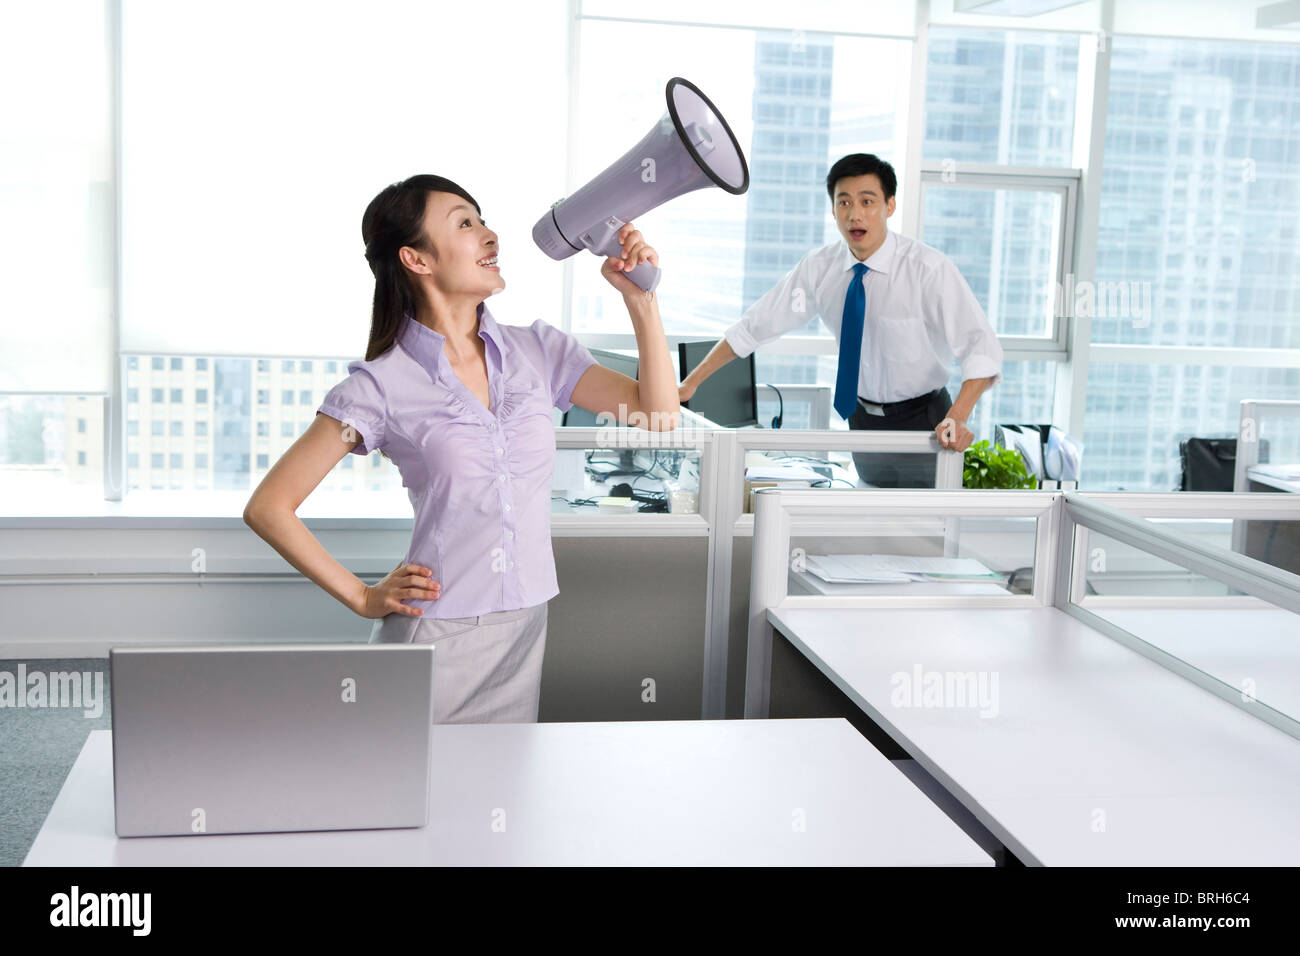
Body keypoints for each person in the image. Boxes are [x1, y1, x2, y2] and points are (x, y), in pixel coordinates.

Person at [242, 174, 678, 723]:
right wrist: (362, 597)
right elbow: (268, 508)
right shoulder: (380, 386)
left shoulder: (538, 350)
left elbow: (659, 416)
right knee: (400, 799)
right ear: (417, 259)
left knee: (495, 795)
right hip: (433, 638)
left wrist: (642, 301)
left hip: (524, 626)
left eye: (483, 219)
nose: (490, 235)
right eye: (466, 224)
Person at [678, 153, 1002, 487]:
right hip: (862, 420)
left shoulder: (927, 269)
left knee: (929, 528)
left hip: (928, 422)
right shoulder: (820, 268)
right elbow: (754, 326)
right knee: (867, 523)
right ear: (833, 210)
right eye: (844, 202)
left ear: (889, 206)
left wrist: (958, 416)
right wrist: (691, 383)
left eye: (867, 201)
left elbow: (981, 347)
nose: (855, 214)